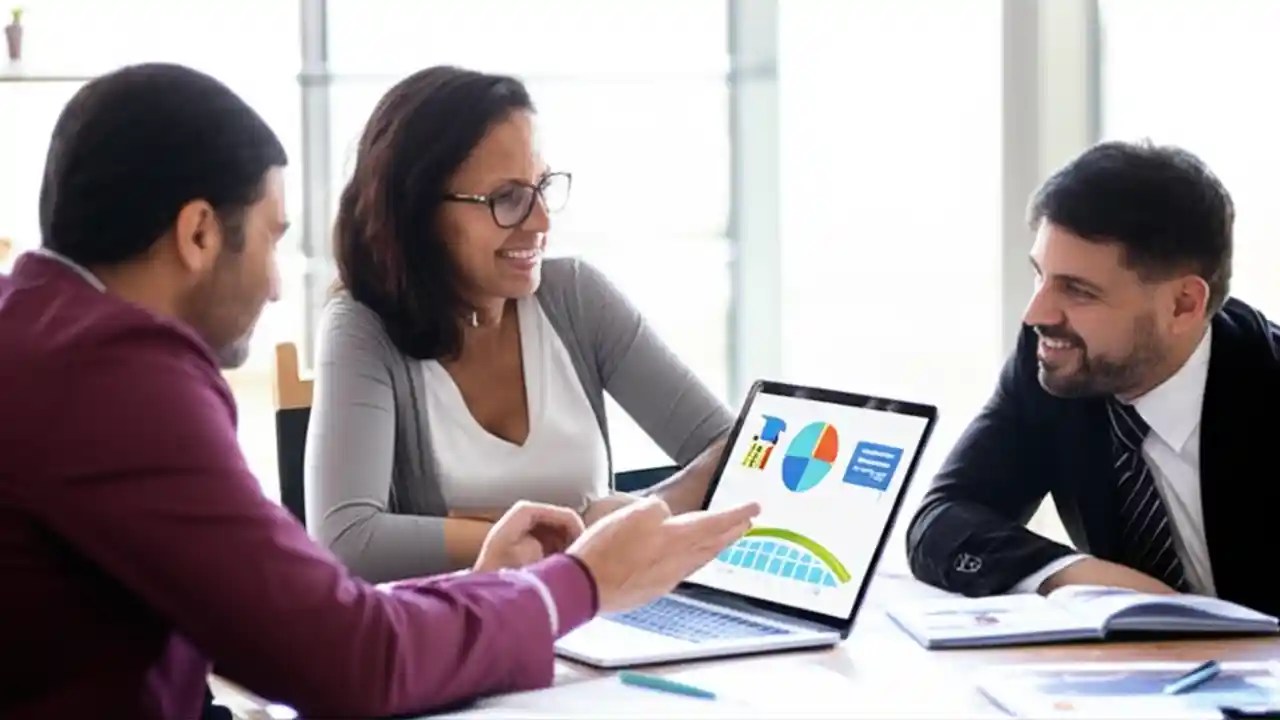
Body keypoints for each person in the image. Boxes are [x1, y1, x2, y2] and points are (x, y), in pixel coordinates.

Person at [0, 62, 759, 720]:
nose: (272, 288)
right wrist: (580, 581)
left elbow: (311, 617)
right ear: (199, 234)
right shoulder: (116, 382)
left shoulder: (37, 334)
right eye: (270, 237)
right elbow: (349, 657)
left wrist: (499, 585)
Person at [306, 65, 732, 583]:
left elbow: (733, 452)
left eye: (542, 187)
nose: (541, 222)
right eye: (507, 199)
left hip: (600, 624)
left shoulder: (576, 297)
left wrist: (639, 514)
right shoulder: (362, 327)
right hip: (461, 641)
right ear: (417, 210)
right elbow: (350, 540)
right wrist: (579, 537)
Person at [905, 139, 1280, 617]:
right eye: (1040, 276)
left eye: (1078, 291)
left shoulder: (1265, 386)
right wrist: (1085, 577)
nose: (1036, 313)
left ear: (1183, 305)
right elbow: (941, 522)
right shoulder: (1059, 361)